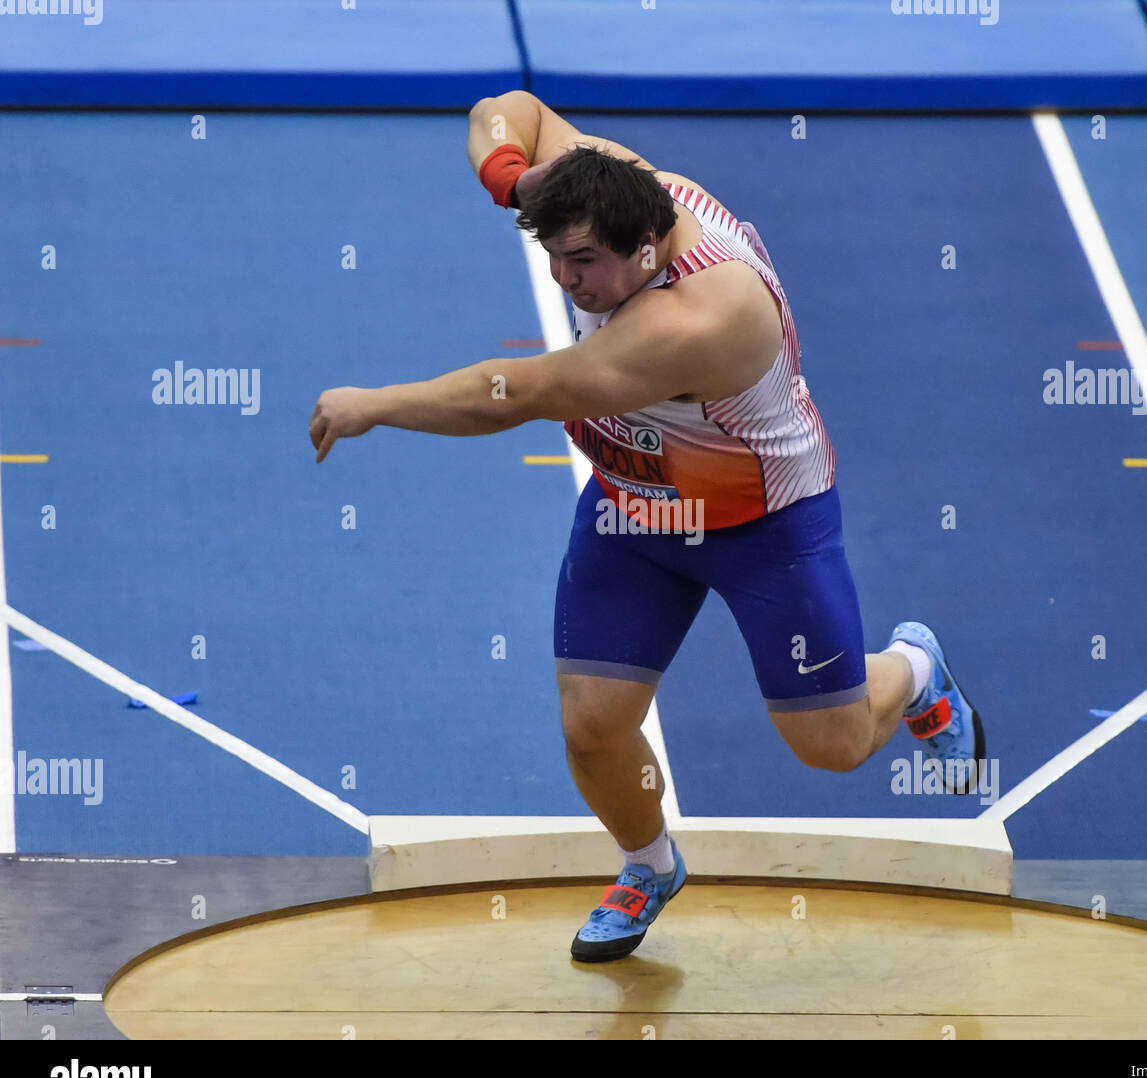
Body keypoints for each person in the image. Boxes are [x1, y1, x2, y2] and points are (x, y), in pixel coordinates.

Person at [309, 90, 984, 963]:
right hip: (637, 504)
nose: (564, 280)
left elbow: (515, 394)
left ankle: (917, 668)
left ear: (646, 247)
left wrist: (375, 404)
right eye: (553, 257)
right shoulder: (605, 189)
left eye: (582, 264)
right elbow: (503, 106)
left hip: (762, 521)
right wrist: (512, 176)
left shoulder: (701, 315)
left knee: (835, 743)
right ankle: (648, 864)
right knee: (592, 725)